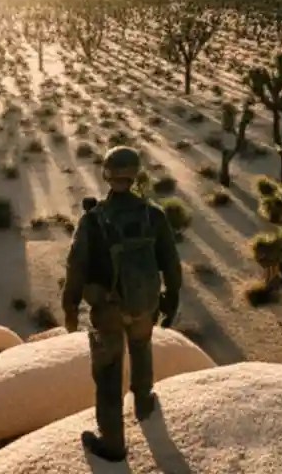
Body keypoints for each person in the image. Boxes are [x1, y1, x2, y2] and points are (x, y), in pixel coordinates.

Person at [61, 146, 182, 462]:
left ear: (106, 175)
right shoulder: (152, 215)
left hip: (109, 310)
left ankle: (113, 443)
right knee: (142, 349)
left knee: (109, 371)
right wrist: (172, 299)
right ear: (135, 174)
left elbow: (75, 267)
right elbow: (170, 262)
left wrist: (70, 309)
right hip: (145, 305)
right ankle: (144, 405)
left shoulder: (93, 220)